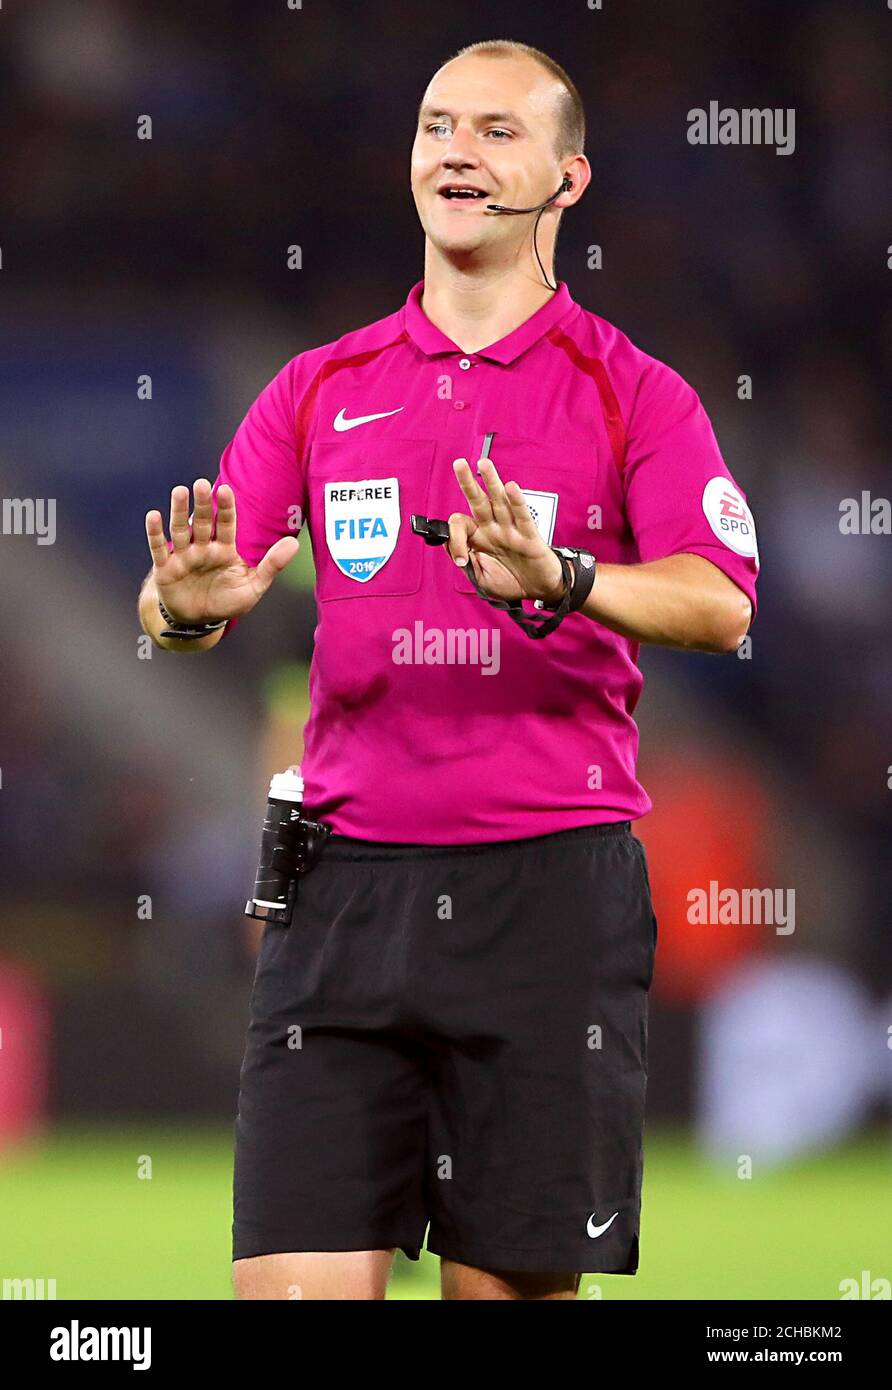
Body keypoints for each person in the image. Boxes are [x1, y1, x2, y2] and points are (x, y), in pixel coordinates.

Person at [138, 39, 759, 1300]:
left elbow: (721, 602)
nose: (457, 153)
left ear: (565, 179)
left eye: (495, 130)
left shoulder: (634, 393)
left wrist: (569, 579)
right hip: (339, 902)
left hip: (548, 903)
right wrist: (181, 609)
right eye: (435, 128)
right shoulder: (320, 389)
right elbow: (177, 595)